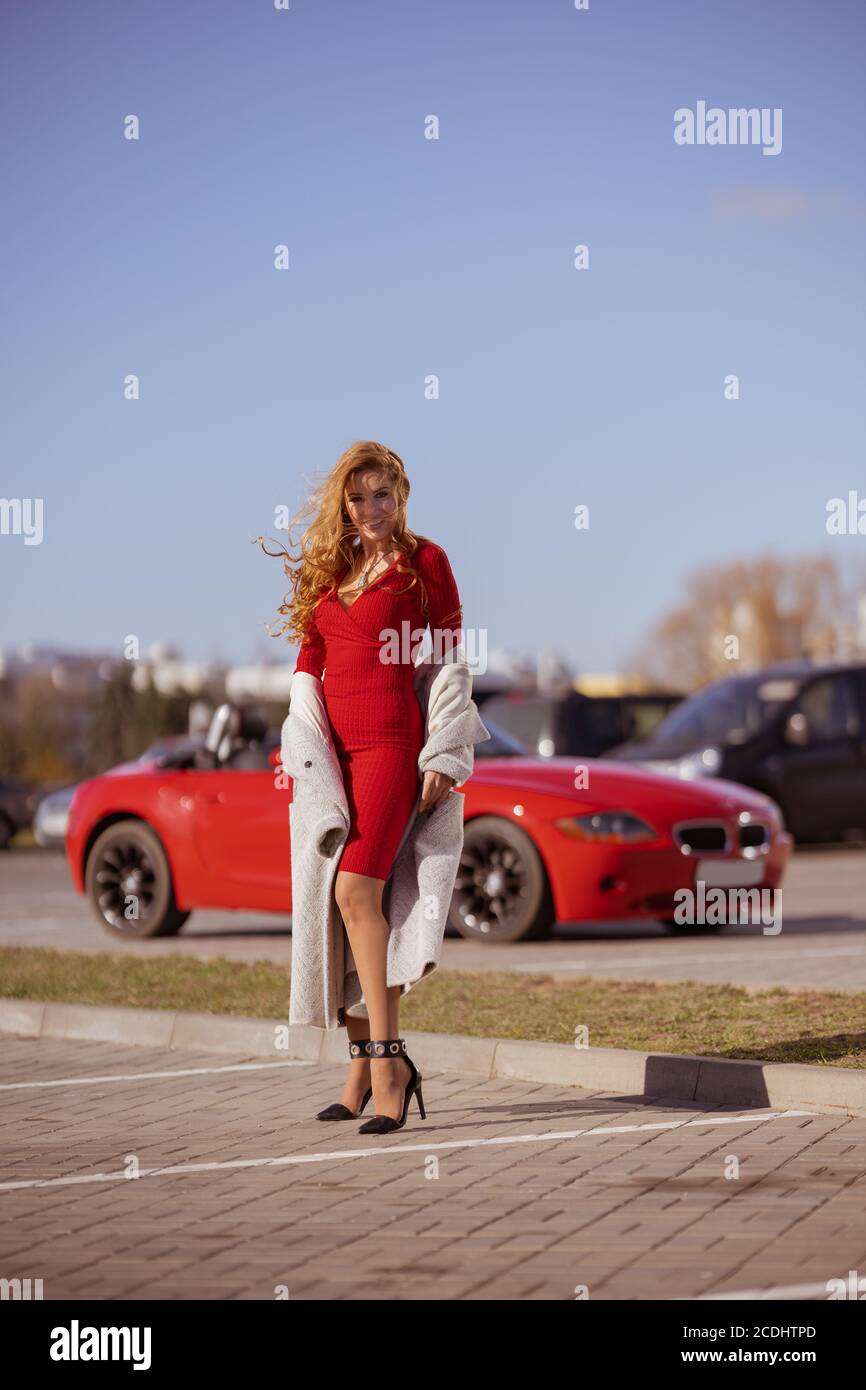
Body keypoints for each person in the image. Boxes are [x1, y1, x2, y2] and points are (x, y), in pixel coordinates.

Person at [270, 441, 468, 1130]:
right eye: (358, 498)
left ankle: (389, 1063)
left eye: (382, 494)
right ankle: (359, 1071)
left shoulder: (426, 565)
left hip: (390, 749)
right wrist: (299, 749)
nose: (371, 508)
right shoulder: (332, 570)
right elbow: (306, 673)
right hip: (336, 755)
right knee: (340, 907)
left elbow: (448, 661)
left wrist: (444, 748)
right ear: (344, 505)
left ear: (402, 494)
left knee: (358, 893)